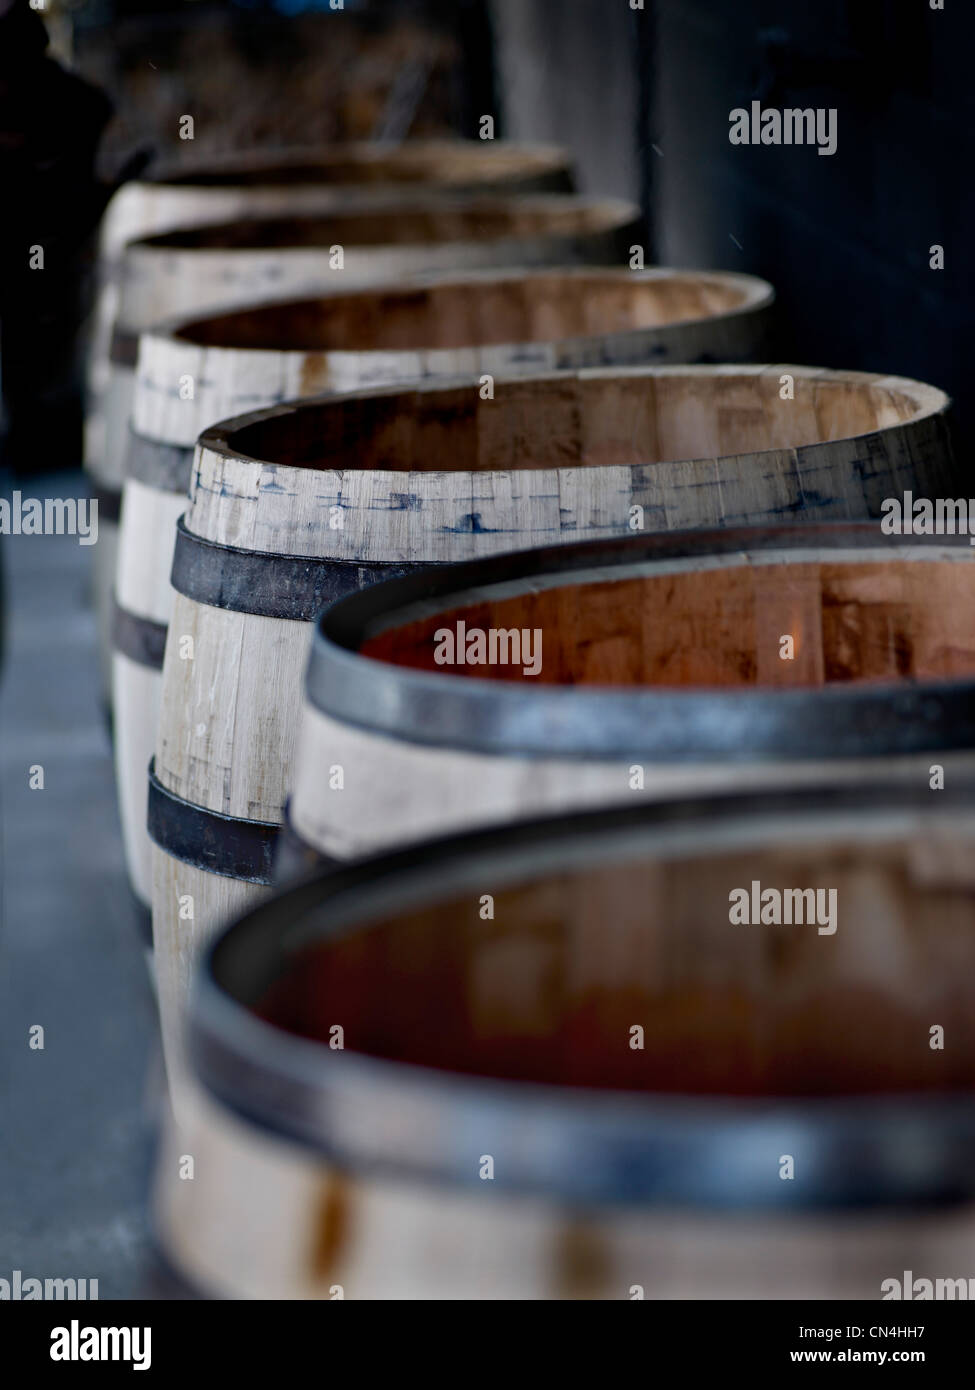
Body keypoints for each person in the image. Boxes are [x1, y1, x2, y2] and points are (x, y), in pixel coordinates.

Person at [0, 0, 112, 477]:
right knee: (30, 341)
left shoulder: (65, 98)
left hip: (51, 237)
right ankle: (34, 438)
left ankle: (43, 437)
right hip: (29, 239)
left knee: (47, 337)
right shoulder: (41, 94)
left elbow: (94, 117)